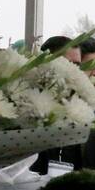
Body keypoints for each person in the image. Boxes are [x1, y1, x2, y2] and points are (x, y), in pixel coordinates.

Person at [33, 36, 88, 175]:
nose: (75, 71)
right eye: (69, 64)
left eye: (77, 65)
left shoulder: (78, 110)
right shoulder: (25, 102)